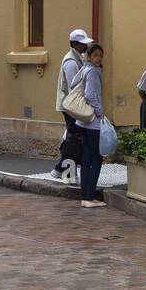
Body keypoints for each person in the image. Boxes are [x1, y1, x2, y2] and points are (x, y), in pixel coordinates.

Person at [68, 43, 107, 208]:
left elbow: (73, 84)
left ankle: (86, 196)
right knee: (95, 159)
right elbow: (90, 94)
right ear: (89, 57)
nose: (98, 58)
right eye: (95, 55)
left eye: (100, 55)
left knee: (86, 159)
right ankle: (89, 197)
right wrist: (99, 111)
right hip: (92, 123)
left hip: (82, 122)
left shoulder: (84, 69)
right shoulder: (92, 71)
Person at [52, 28, 92, 175]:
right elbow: (73, 87)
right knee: (73, 137)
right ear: (74, 44)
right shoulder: (71, 62)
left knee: (73, 136)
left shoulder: (76, 58)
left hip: (71, 105)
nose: (85, 47)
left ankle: (65, 169)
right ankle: (61, 168)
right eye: (83, 44)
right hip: (71, 106)